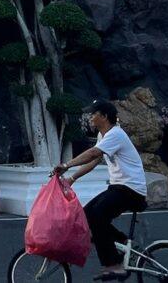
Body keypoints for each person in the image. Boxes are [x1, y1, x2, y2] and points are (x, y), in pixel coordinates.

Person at [53, 100, 147, 282]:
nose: (91, 117)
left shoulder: (116, 134)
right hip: (119, 187)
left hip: (131, 189)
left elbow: (93, 154)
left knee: (97, 215)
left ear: (104, 116)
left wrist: (67, 165)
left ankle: (113, 265)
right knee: (87, 215)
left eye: (94, 113)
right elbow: (94, 161)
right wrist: (72, 178)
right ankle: (127, 245)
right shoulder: (102, 136)